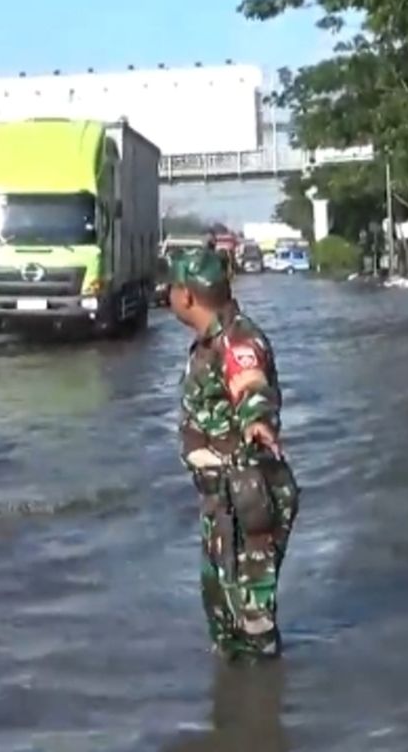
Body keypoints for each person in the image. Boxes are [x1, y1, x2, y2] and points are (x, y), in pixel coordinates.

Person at [164, 247, 300, 660]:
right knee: (223, 618)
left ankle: (262, 714)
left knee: (251, 624)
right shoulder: (209, 343)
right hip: (224, 500)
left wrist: (258, 418)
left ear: (186, 296)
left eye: (171, 287)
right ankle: (234, 712)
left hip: (250, 495)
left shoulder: (238, 340)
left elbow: (252, 383)